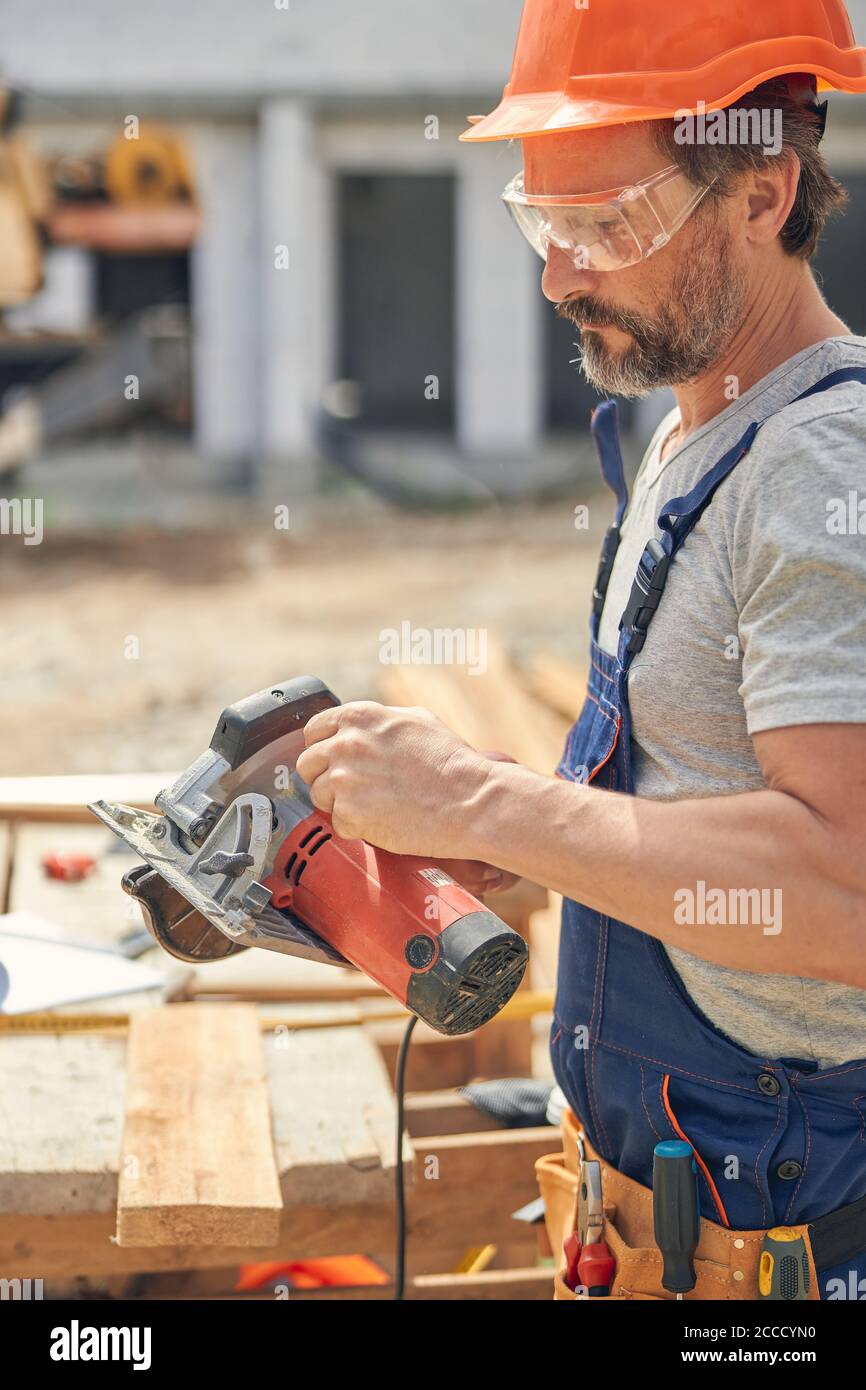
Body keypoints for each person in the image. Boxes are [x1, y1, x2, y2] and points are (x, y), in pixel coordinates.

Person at [297, 0, 866, 1299]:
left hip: (778, 1254)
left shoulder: (821, 468)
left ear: (760, 194)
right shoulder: (687, 438)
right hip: (648, 1219)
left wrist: (495, 799)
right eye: (541, 221)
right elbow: (701, 809)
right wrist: (529, 838)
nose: (558, 274)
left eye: (605, 223)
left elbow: (845, 882)